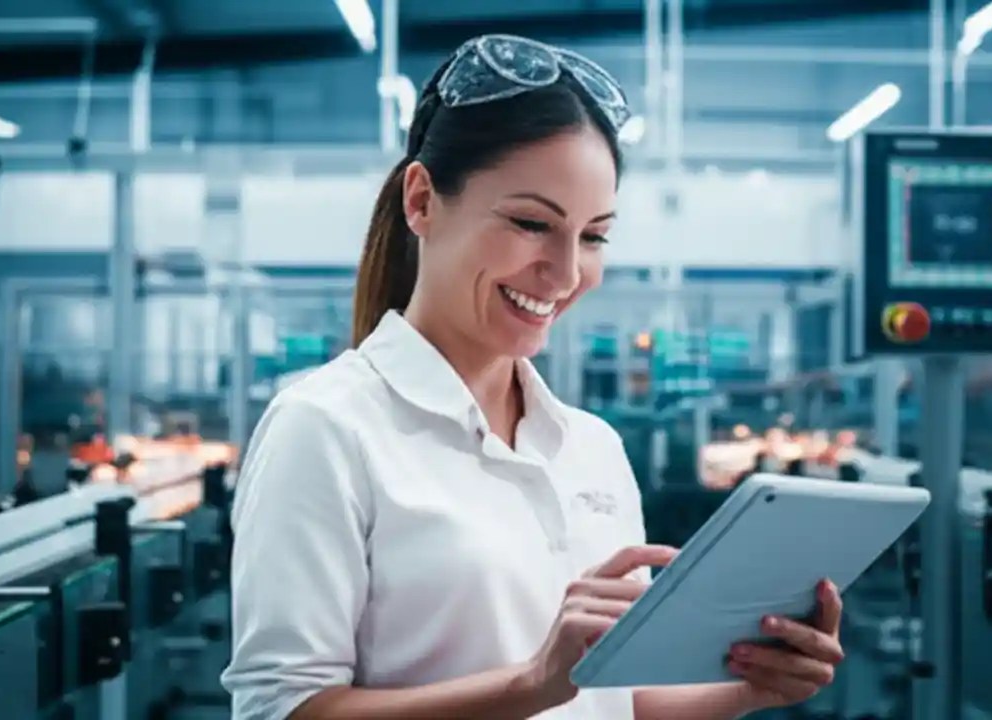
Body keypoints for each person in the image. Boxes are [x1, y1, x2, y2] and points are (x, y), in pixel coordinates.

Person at [220, 33, 846, 720]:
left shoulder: (592, 447)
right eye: (530, 223)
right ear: (422, 200)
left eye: (594, 235)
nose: (569, 272)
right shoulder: (328, 427)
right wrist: (529, 685)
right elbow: (281, 709)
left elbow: (620, 700)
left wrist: (748, 687)